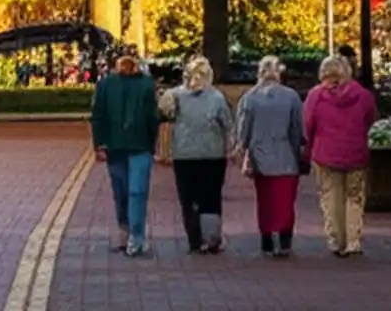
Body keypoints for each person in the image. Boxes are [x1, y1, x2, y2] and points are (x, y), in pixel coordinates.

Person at [304, 54, 378, 257]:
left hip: (325, 154)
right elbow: (370, 118)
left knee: (331, 197)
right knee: (354, 197)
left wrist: (308, 150)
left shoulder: (316, 96)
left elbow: (308, 125)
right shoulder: (362, 95)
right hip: (355, 153)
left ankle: (336, 239)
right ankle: (353, 240)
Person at [159, 56, 232, 254]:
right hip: (213, 154)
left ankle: (194, 239)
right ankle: (212, 238)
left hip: (184, 154)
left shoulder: (175, 96)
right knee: (211, 197)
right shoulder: (217, 97)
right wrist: (231, 147)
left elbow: (164, 114)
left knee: (188, 198)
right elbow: (227, 124)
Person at [91, 56, 160, 257]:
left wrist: (100, 144)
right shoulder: (146, 84)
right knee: (135, 192)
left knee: (124, 191)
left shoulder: (106, 84)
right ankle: (133, 236)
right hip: (137, 145)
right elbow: (152, 117)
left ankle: (131, 235)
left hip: (117, 146)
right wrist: (151, 144)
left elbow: (98, 115)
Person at [238, 55, 305, 258]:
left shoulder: (250, 97)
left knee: (265, 200)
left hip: (260, 157)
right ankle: (284, 239)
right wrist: (298, 151)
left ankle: (266, 239)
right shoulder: (292, 96)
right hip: (286, 156)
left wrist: (243, 149)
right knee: (285, 200)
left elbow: (244, 130)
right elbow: (297, 129)